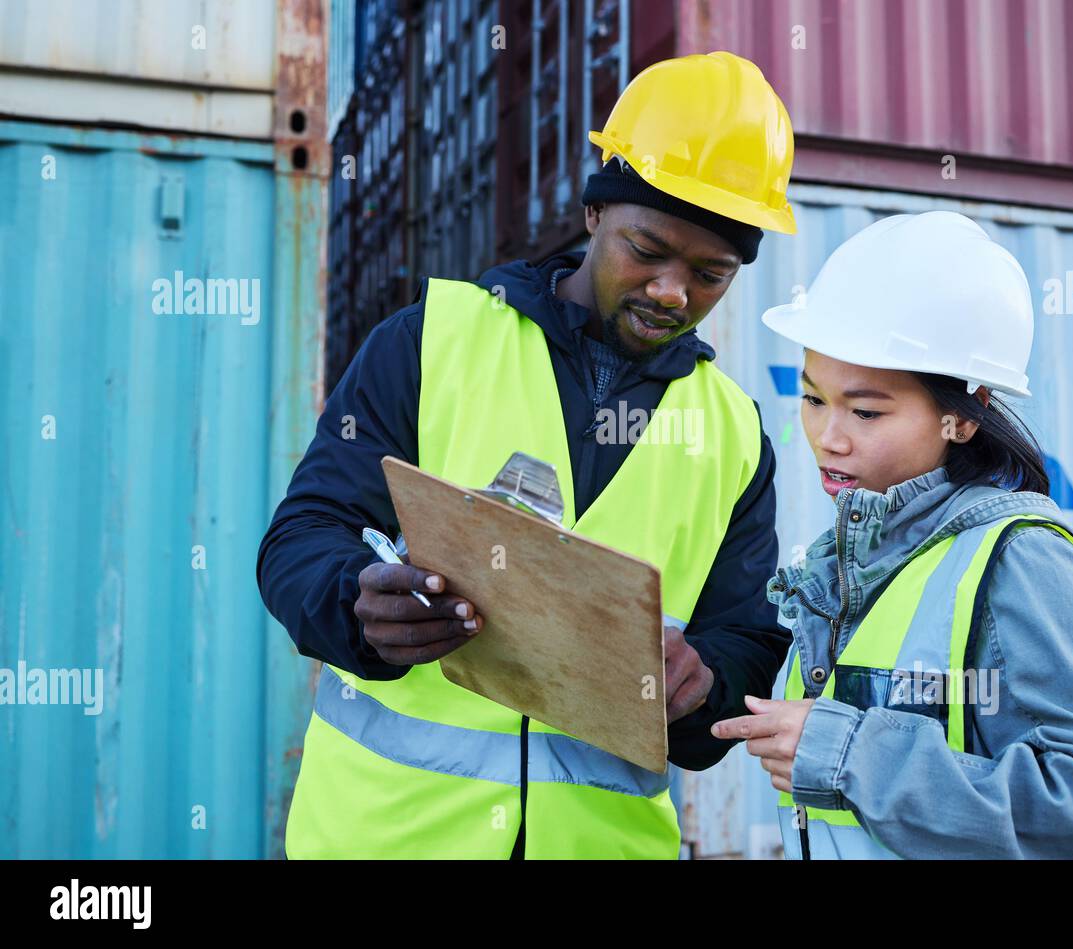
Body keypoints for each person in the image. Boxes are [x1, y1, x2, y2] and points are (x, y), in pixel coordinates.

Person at [257, 51, 798, 858]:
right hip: (386, 838)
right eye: (647, 250)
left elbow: (745, 641)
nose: (672, 292)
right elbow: (301, 538)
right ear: (593, 214)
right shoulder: (431, 341)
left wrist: (701, 684)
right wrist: (358, 605)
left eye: (710, 273)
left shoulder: (734, 434)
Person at [711, 210, 1073, 858]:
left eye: (865, 410)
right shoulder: (854, 561)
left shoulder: (1025, 560)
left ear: (962, 415)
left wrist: (849, 755)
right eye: (812, 399)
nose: (828, 437)